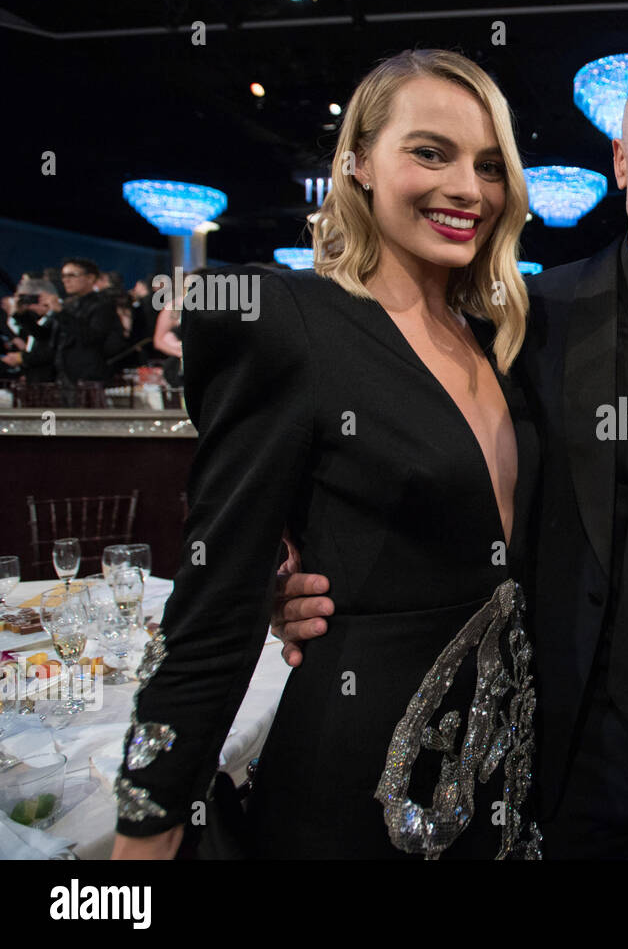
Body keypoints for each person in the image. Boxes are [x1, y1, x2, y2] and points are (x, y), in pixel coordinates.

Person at [276, 53, 628, 859]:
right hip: (553, 736)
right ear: (620, 161)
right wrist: (295, 562)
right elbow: (404, 456)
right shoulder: (525, 322)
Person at [110, 48, 541, 860]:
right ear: (358, 164)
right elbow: (215, 603)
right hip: (353, 777)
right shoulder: (287, 321)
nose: (467, 189)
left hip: (501, 774)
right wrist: (147, 831)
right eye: (429, 152)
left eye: (489, 165)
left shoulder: (495, 339)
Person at [55, 257, 118, 386]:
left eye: (72, 275)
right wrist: (22, 315)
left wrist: (61, 313)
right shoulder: (68, 305)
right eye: (63, 276)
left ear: (90, 278)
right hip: (62, 376)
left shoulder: (103, 305)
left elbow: (92, 337)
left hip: (88, 379)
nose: (66, 280)